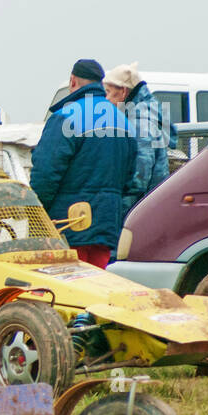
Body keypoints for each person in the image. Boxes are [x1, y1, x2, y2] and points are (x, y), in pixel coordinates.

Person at [31, 58, 136, 269]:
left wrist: (36, 215)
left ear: (72, 81)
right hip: (106, 223)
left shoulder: (65, 117)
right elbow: (129, 176)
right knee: (94, 289)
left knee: (67, 289)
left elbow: (45, 174)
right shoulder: (123, 121)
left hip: (67, 224)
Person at [103, 62, 171, 215]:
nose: (106, 99)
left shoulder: (140, 119)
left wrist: (119, 209)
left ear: (123, 92)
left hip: (142, 207)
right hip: (150, 203)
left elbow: (140, 175)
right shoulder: (139, 113)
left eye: (108, 92)